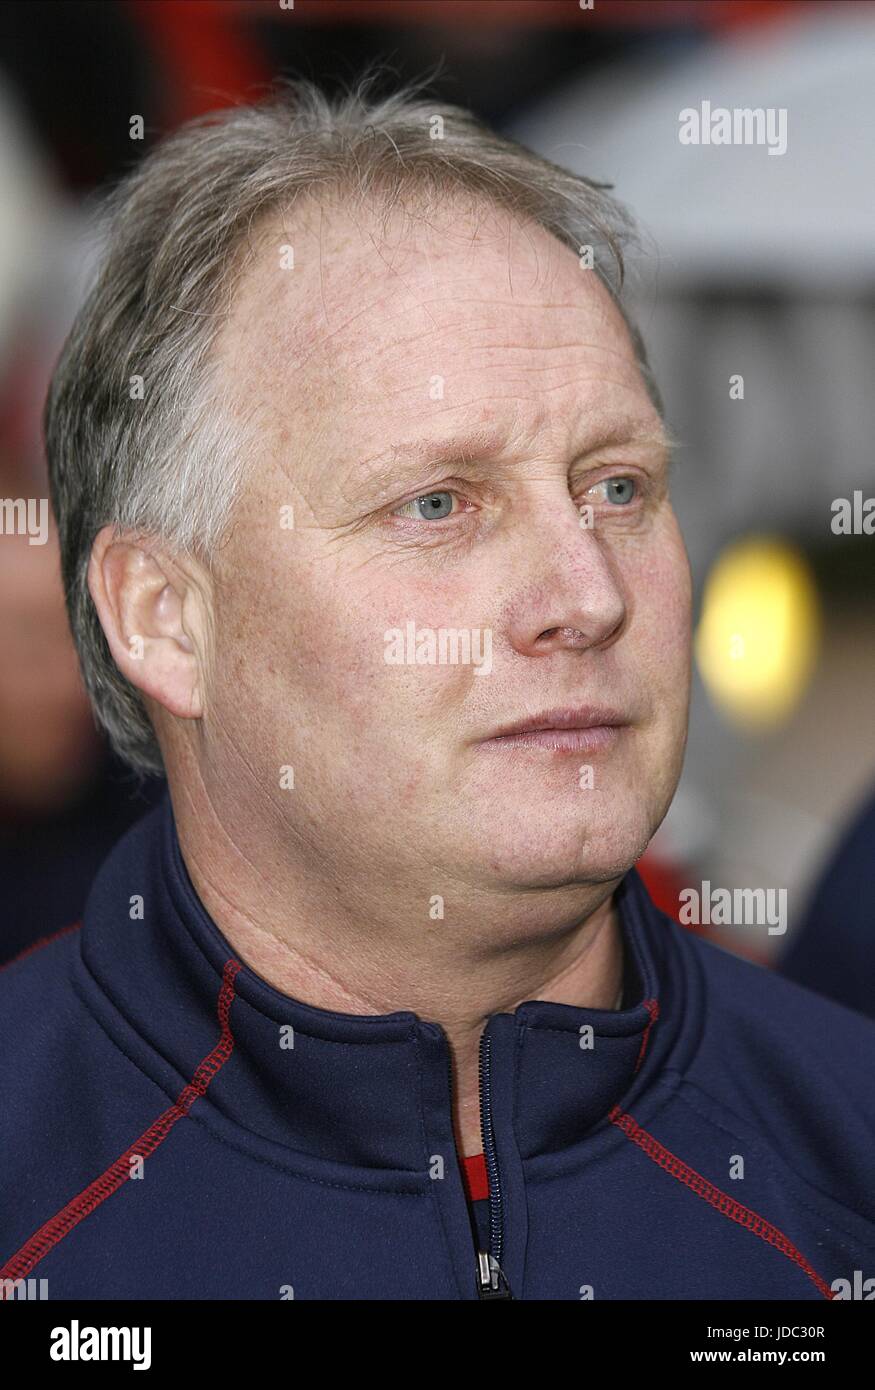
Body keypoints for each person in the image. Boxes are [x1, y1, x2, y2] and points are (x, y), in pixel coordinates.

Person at [2, 78, 873, 1301]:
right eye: (436, 505)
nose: (586, 594)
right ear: (166, 616)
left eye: (616, 486)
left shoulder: (845, 1161)